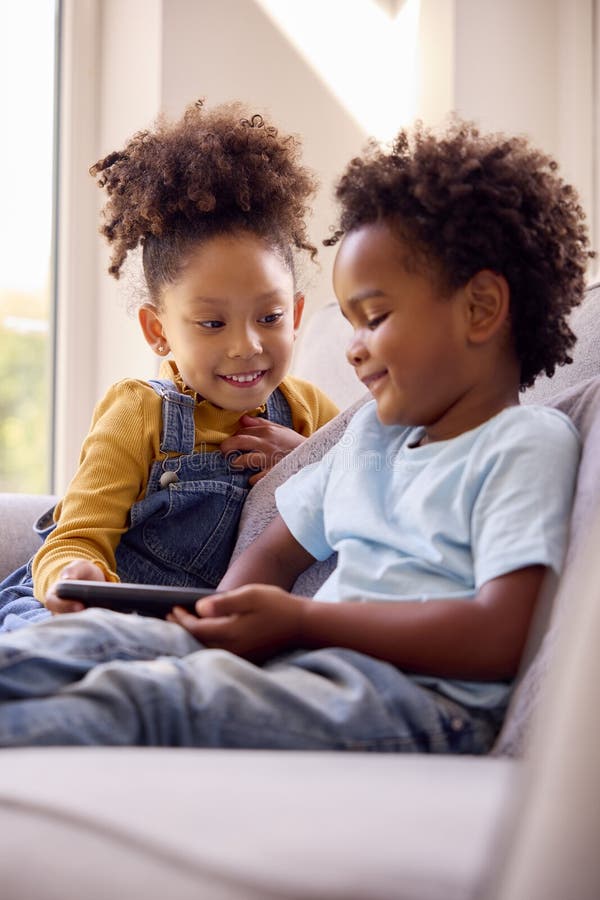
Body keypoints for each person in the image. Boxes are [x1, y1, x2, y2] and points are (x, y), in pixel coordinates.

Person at [0, 118, 588, 750]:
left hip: (414, 700)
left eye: (376, 318)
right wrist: (213, 625)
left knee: (140, 699)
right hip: (309, 668)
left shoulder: (527, 442)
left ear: (480, 309)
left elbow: (498, 635)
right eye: (353, 324)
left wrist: (301, 620)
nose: (354, 351)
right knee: (87, 642)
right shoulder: (366, 435)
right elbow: (277, 552)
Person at [0, 99, 338, 633]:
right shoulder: (140, 413)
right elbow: (74, 537)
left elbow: (364, 500)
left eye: (269, 317)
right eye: (211, 324)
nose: (246, 346)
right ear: (159, 332)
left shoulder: (310, 413)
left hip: (186, 635)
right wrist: (77, 573)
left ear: (296, 314)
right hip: (78, 616)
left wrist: (306, 460)